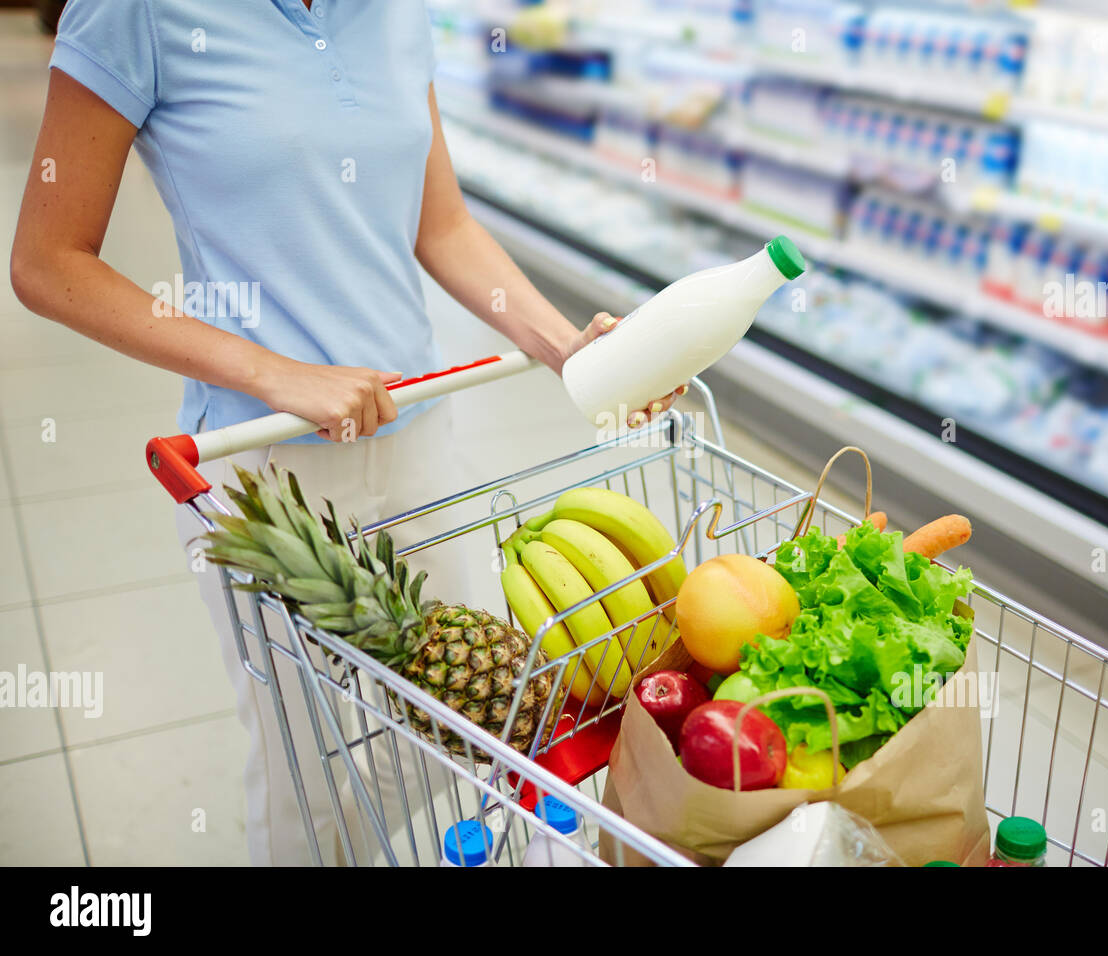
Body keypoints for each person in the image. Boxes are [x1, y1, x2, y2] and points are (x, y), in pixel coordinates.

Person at [10, 0, 681, 865]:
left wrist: (567, 349)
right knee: (310, 780)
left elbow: (440, 224)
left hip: (420, 442)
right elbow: (46, 260)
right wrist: (271, 370)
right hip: (264, 476)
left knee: (472, 724)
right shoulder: (138, 12)